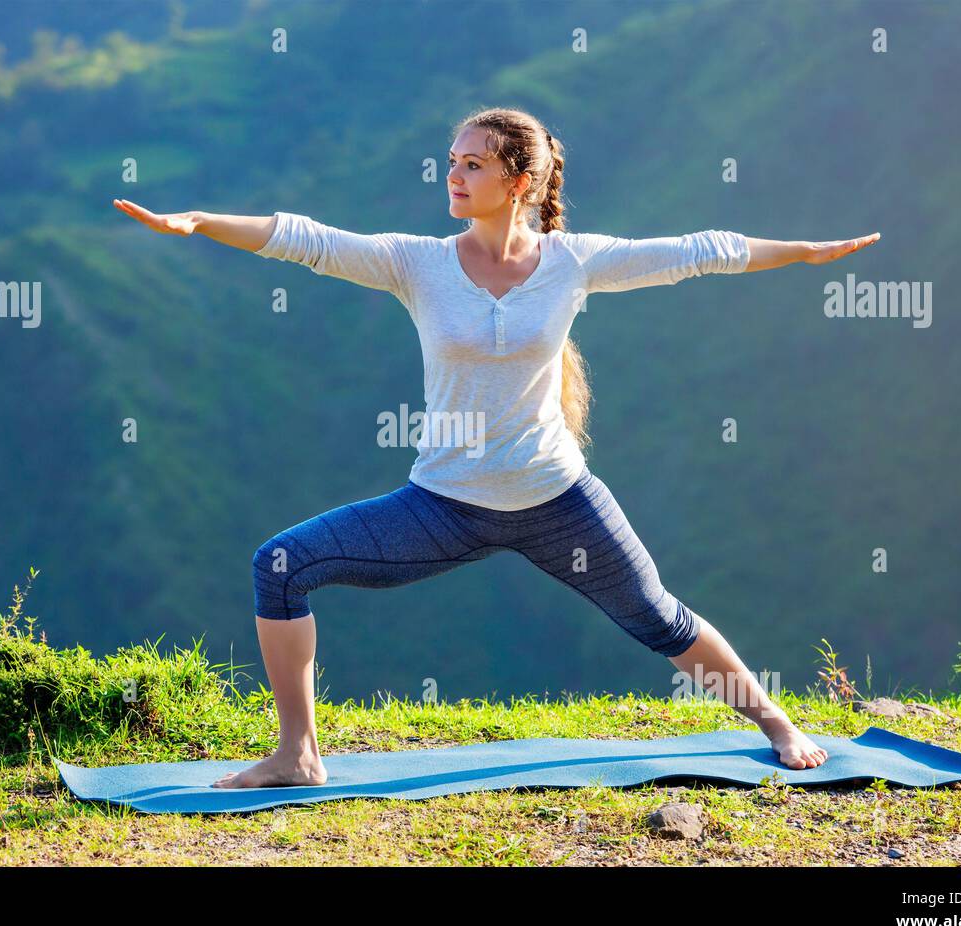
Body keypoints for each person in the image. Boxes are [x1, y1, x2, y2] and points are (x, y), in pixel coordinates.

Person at [113, 107, 880, 788]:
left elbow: (699, 250)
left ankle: (777, 723)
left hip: (559, 500)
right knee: (280, 566)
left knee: (660, 619)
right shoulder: (416, 263)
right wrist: (202, 221)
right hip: (445, 506)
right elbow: (306, 240)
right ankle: (297, 754)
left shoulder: (574, 263)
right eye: (451, 160)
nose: (452, 174)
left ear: (518, 181)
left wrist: (805, 251)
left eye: (471, 163)